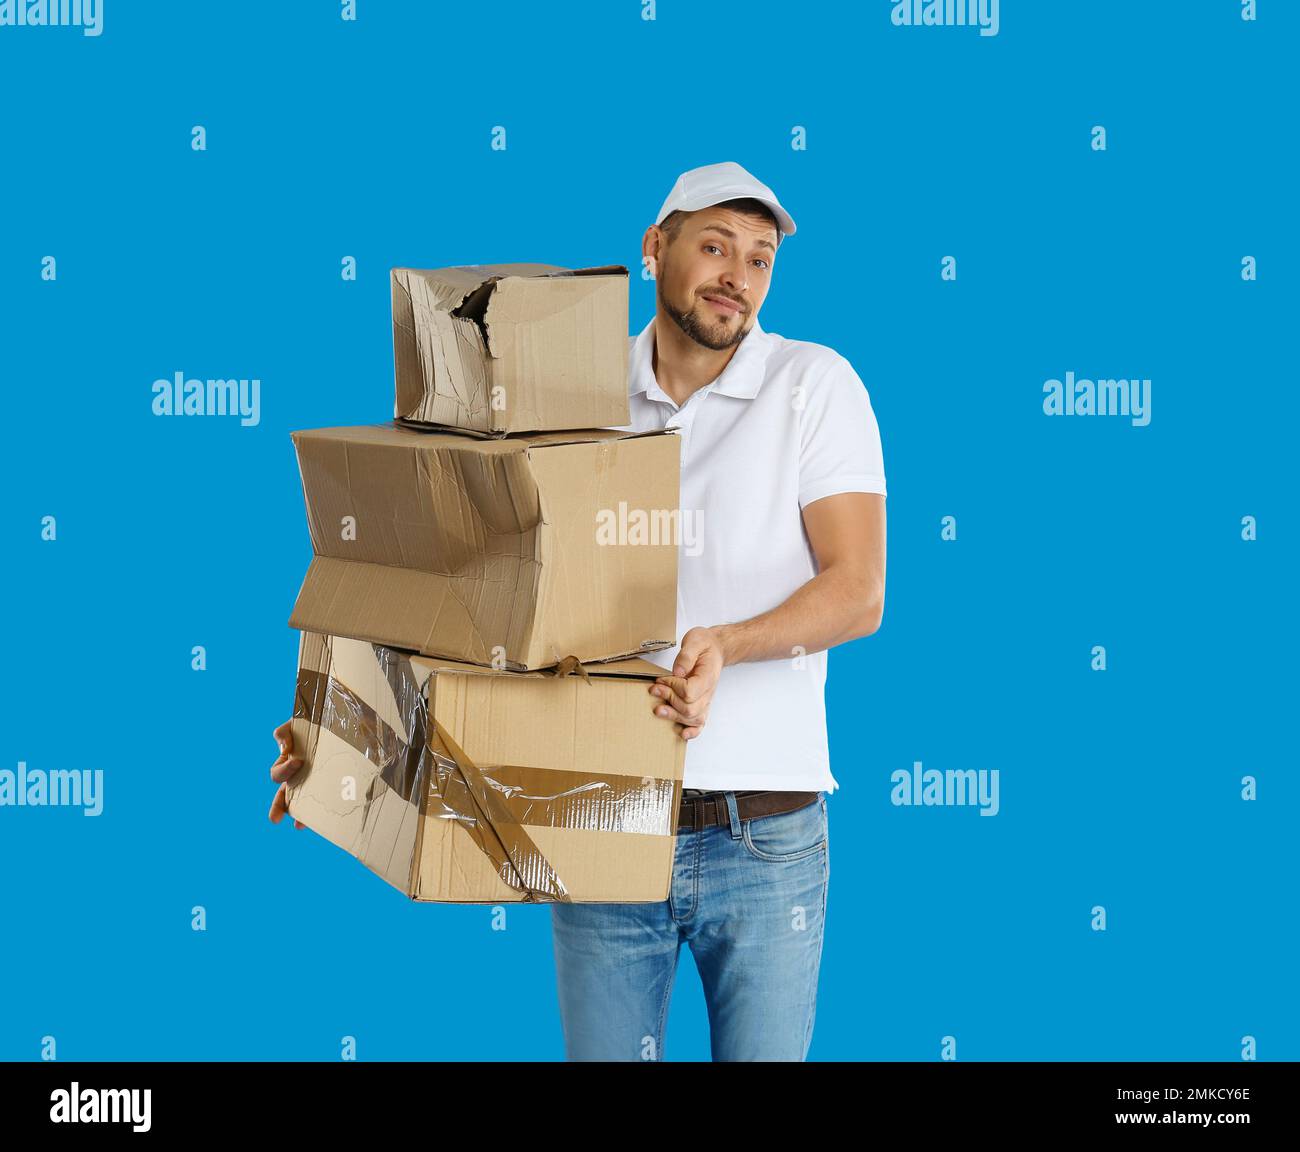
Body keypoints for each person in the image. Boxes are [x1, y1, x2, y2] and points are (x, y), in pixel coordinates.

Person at [269, 161, 887, 1063]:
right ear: (655, 248)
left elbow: (858, 589)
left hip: (766, 836)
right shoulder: (569, 398)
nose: (737, 276)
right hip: (595, 818)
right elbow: (459, 592)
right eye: (714, 246)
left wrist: (727, 643)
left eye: (759, 259)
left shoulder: (813, 385)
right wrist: (335, 734)